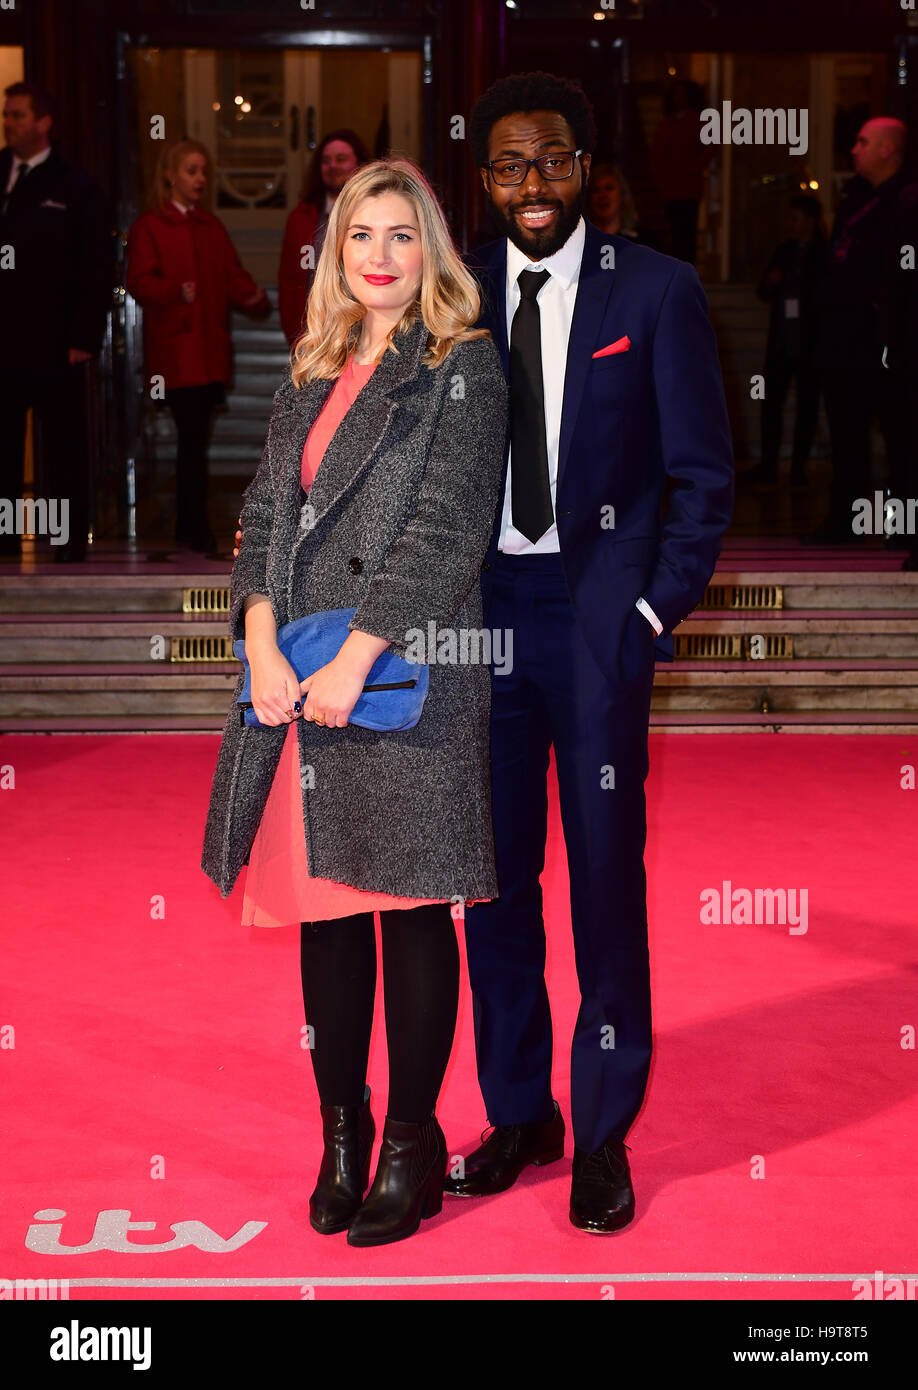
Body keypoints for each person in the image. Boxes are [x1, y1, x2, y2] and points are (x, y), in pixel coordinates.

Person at [201, 159, 508, 1247]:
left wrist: (352, 660)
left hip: (406, 678)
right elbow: (259, 520)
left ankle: (412, 1145)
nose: (378, 256)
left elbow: (445, 530)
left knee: (413, 908)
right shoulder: (309, 370)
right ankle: (343, 1131)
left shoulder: (462, 368)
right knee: (325, 920)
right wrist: (260, 641)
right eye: (358, 236)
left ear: (432, 249)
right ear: (334, 253)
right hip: (295, 682)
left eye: (400, 235)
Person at [449, 71, 733, 1233]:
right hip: (477, 618)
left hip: (596, 621)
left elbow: (703, 480)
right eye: (511, 165)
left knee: (606, 883)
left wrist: (650, 614)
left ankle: (604, 1127)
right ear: (485, 178)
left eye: (554, 162)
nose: (533, 186)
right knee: (492, 879)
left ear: (586, 169)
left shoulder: (655, 291)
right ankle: (520, 1109)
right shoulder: (450, 296)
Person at [126, 139, 270, 554]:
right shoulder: (150, 227)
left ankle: (190, 524)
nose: (200, 179)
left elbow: (231, 276)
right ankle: (194, 524)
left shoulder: (210, 228)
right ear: (171, 174)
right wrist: (174, 290)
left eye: (203, 171)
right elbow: (139, 281)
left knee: (195, 439)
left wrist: (253, 297)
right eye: (192, 171)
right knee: (192, 438)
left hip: (207, 355)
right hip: (176, 357)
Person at [0, 81, 113, 564]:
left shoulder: (76, 187)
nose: (9, 122)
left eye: (18, 114)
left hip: (56, 342)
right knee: (3, 445)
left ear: (44, 122)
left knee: (64, 448)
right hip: (3, 342)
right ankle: (4, 538)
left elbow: (96, 267)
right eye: (6, 114)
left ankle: (66, 542)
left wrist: (84, 337)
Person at [808, 117, 917, 542]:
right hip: (845, 336)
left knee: (899, 435)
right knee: (846, 434)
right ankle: (845, 521)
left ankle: (903, 527)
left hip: (886, 336)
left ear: (888, 149)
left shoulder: (906, 199)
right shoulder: (855, 196)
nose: (854, 150)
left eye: (863, 142)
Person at [747, 194, 828, 488]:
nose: (790, 224)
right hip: (782, 340)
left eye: (795, 218)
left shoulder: (823, 253)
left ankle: (798, 467)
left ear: (809, 221)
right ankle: (769, 463)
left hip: (808, 342)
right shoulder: (784, 250)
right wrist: (771, 282)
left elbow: (825, 295)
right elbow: (763, 291)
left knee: (806, 405)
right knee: (772, 403)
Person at [277, 129, 371, 347]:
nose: (332, 166)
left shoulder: (375, 213)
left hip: (363, 335)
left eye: (341, 159)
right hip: (313, 336)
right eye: (326, 161)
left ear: (359, 164)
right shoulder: (300, 218)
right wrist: (295, 335)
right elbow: (289, 281)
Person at [649, 79, 712, 265]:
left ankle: (688, 265)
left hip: (689, 187)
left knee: (688, 229)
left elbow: (710, 148)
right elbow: (655, 153)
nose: (679, 98)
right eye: (676, 94)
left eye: (682, 94)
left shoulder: (697, 121)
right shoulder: (665, 123)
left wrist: (693, 167)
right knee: (674, 230)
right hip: (669, 187)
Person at [586, 162, 652, 245]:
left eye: (609, 188)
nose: (602, 195)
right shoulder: (582, 241)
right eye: (596, 190)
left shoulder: (644, 241)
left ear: (622, 194)